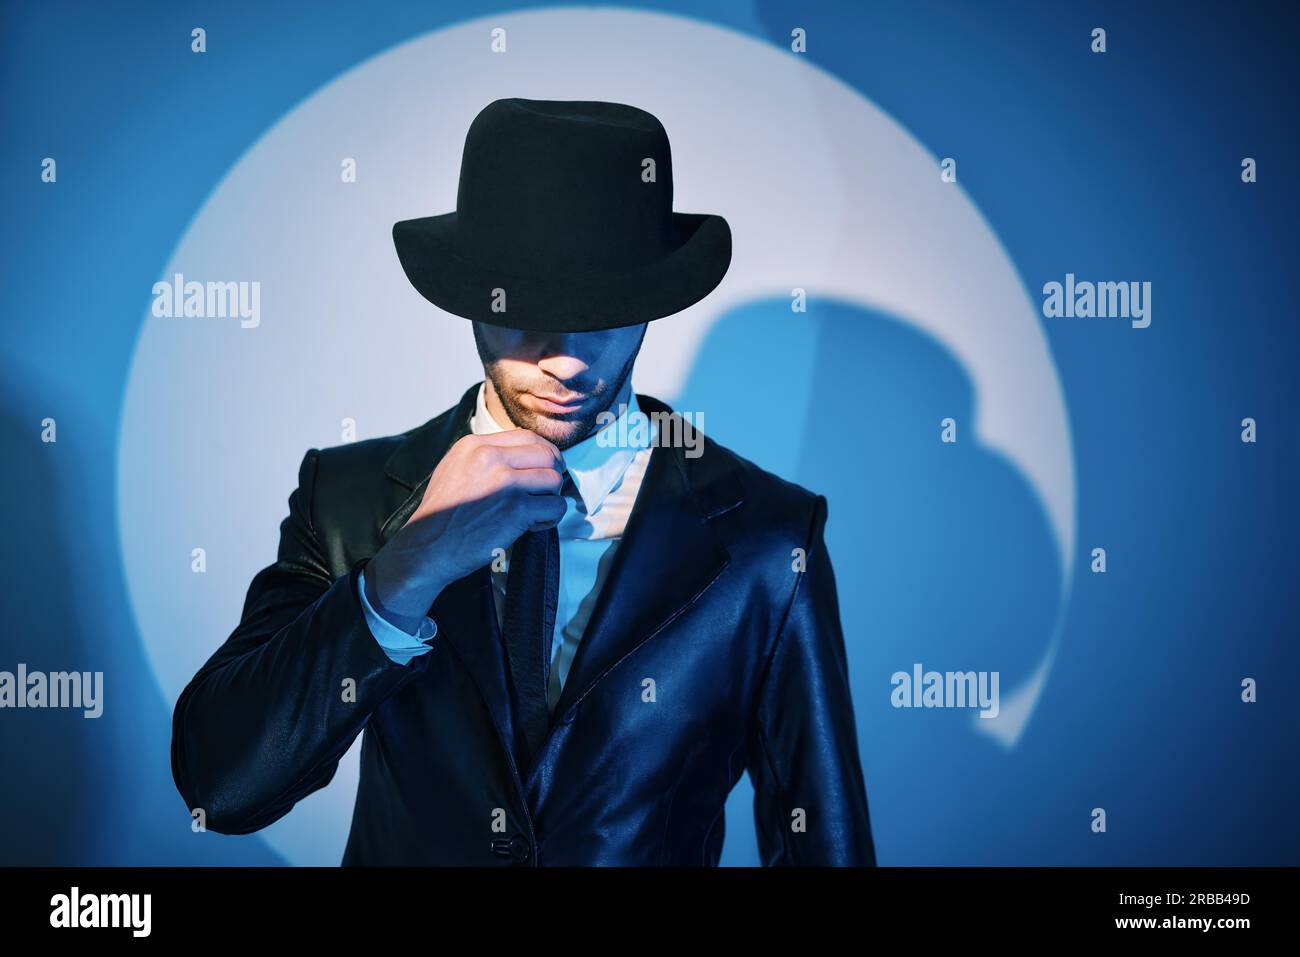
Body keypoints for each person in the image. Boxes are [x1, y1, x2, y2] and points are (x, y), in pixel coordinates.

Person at [170, 98, 876, 866]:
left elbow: (826, 845)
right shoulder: (348, 500)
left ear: (650, 305)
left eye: (603, 315)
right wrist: (401, 576)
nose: (566, 360)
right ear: (473, 301)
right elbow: (221, 783)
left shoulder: (769, 542)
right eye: (528, 316)